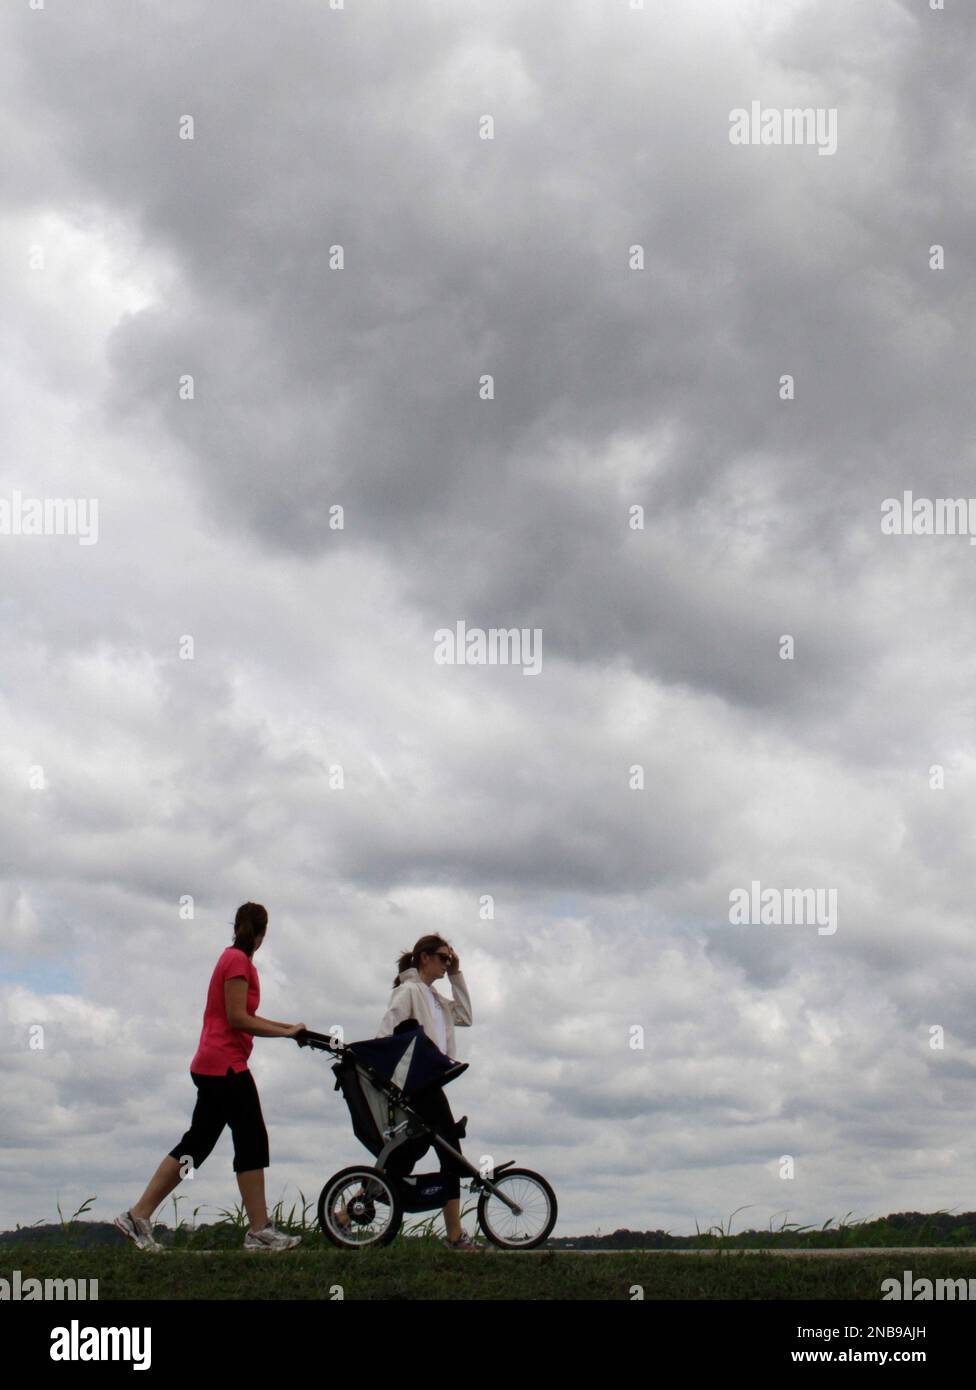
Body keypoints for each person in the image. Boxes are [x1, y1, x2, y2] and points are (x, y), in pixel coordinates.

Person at [114, 902, 307, 1252]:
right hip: (226, 1066)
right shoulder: (236, 961)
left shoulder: (235, 960)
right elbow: (237, 1018)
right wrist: (284, 1033)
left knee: (198, 1145)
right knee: (251, 1140)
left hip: (216, 1065)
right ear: (262, 934)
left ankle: (138, 1215)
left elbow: (245, 1015)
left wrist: (290, 1029)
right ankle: (259, 1230)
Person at [376, 935, 478, 1251]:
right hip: (417, 1084)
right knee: (451, 1149)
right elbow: (385, 1033)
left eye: (449, 959)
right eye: (443, 958)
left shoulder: (435, 998)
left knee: (408, 1155)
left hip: (432, 1083)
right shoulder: (408, 991)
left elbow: (465, 1017)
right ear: (424, 958)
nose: (447, 963)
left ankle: (348, 1211)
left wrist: (456, 975)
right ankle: (455, 1235)